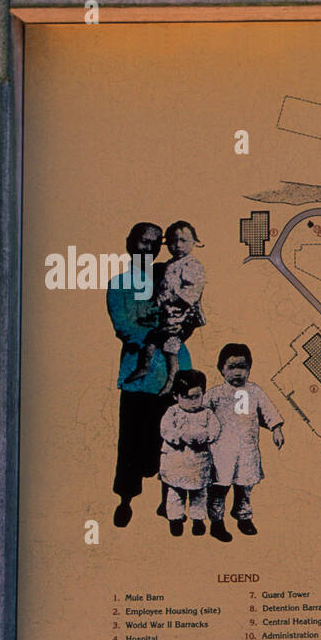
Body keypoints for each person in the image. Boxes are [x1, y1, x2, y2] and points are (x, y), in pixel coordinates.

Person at [107, 222, 194, 527]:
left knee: (174, 440)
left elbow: (187, 315)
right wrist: (160, 329)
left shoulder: (168, 275)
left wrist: (181, 324)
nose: (150, 249)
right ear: (130, 244)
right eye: (144, 243)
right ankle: (125, 499)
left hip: (175, 370)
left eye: (156, 244)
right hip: (137, 376)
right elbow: (125, 329)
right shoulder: (119, 284)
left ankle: (167, 500)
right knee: (132, 443)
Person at [204, 343, 285, 541]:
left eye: (243, 367)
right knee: (219, 488)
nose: (238, 372)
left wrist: (276, 428)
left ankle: (243, 517)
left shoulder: (255, 391)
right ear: (221, 369)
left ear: (249, 368)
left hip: (247, 451)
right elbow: (200, 414)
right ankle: (216, 522)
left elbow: (269, 412)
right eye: (232, 367)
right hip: (221, 452)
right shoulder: (215, 394)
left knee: (245, 487)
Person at [125, 221, 206, 395]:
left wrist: (180, 317)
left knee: (171, 346)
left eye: (183, 240)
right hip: (164, 315)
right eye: (172, 241)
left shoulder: (190, 266)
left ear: (194, 242)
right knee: (152, 341)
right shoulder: (166, 266)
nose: (177, 245)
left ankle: (172, 381)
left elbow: (193, 294)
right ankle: (144, 367)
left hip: (178, 314)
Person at [159, 369, 221, 537]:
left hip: (198, 464)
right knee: (175, 492)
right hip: (176, 462)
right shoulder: (172, 412)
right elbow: (165, 430)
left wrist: (206, 435)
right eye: (186, 397)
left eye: (196, 397)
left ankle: (198, 520)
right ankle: (175, 519)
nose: (192, 402)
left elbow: (215, 429)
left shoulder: (207, 413)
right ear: (176, 396)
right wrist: (180, 436)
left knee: (199, 493)